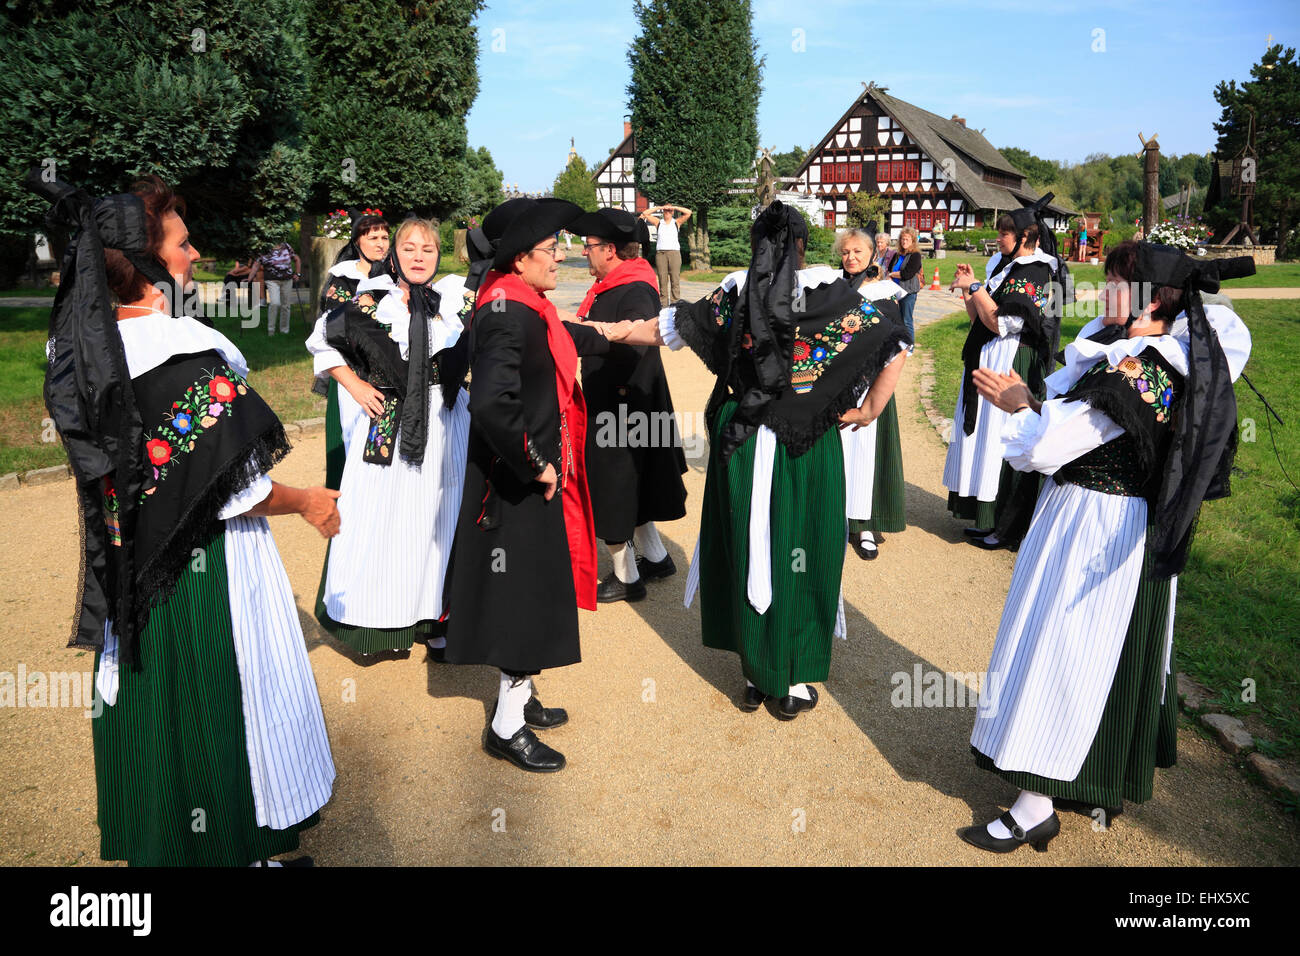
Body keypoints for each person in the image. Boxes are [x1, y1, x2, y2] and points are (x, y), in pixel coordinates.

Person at [28, 172, 337, 866]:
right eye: (183, 242)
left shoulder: (87, 354)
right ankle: (236, 850)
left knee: (160, 714)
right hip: (205, 573)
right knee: (223, 706)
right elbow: (241, 494)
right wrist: (311, 502)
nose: (196, 254)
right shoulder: (183, 357)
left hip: (131, 567)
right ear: (143, 262)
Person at [957, 241, 1253, 853]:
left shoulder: (1143, 370)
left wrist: (1019, 404)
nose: (1103, 289)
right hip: (1108, 521)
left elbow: (1045, 449)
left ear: (1153, 297)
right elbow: (1072, 427)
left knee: (1064, 649)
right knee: (1099, 654)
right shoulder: (1150, 353)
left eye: (1117, 280)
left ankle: (1034, 805)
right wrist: (1038, 406)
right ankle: (1092, 775)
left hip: (1100, 526)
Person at [620, 202, 910, 719]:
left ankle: (755, 672)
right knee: (802, 546)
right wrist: (869, 410)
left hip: (746, 438)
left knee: (747, 542)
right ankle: (790, 675)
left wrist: (596, 330)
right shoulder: (834, 294)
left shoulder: (735, 289)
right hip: (808, 445)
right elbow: (894, 344)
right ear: (803, 246)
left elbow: (664, 329)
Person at [445, 198, 630, 773]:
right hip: (517, 482)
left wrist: (618, 333)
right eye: (552, 250)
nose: (562, 258)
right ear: (521, 258)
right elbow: (495, 403)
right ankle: (506, 726)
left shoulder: (520, 301)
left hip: (529, 476)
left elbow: (561, 339)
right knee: (523, 595)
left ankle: (520, 698)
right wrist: (538, 464)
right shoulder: (507, 312)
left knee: (535, 587)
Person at [311, 218, 472, 657]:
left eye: (428, 250)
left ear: (439, 256)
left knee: (439, 523)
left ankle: (437, 622)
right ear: (394, 254)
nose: (419, 256)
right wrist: (356, 385)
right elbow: (323, 342)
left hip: (447, 424)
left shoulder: (454, 301)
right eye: (410, 248)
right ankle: (377, 621)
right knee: (385, 520)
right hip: (389, 426)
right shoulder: (372, 299)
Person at [570, 207, 688, 602]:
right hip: (623, 401)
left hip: (623, 406)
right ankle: (656, 558)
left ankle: (627, 577)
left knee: (610, 488)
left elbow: (642, 330)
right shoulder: (611, 283)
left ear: (610, 250)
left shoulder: (634, 286)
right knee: (631, 484)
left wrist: (587, 329)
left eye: (589, 247)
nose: (584, 253)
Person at [944, 196, 1064, 549]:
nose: (1000, 239)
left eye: (1005, 234)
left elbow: (1003, 323)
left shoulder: (1039, 272)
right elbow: (978, 318)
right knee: (985, 438)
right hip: (991, 357)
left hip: (1013, 361)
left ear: (1026, 237)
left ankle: (1007, 526)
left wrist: (978, 289)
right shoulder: (1006, 267)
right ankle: (987, 517)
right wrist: (970, 289)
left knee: (1005, 438)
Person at [835, 226, 910, 560]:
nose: (851, 258)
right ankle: (835, 519)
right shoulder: (831, 288)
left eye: (858, 252)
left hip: (869, 386)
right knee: (837, 454)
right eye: (845, 252)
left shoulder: (884, 292)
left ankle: (864, 523)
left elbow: (897, 344)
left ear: (872, 255)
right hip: (835, 387)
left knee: (866, 454)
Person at [308, 211, 390, 490]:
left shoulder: (396, 274)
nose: (380, 243)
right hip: (351, 380)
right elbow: (331, 336)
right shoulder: (342, 280)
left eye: (385, 237)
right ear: (357, 242)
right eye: (373, 237)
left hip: (389, 379)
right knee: (350, 454)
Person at [642, 203, 692, 306]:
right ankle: (663, 305)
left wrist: (674, 207)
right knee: (662, 280)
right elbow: (645, 213)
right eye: (666, 211)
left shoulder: (676, 222)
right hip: (661, 254)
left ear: (672, 212)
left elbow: (688, 212)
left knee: (675, 279)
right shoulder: (658, 223)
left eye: (669, 211)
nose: (667, 212)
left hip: (674, 253)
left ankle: (675, 304)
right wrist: (660, 207)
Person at [249, 239, 301, 336]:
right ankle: (271, 331)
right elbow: (256, 265)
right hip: (272, 280)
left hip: (287, 279)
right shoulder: (264, 248)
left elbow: (297, 259)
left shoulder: (286, 246)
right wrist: (249, 279)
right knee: (275, 303)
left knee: (286, 305)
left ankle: (284, 331)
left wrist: (298, 273)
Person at [887, 226, 923, 341]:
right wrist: (890, 274)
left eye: (907, 239)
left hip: (908, 292)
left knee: (907, 320)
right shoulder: (897, 255)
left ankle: (909, 346)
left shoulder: (915, 255)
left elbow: (907, 274)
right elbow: (889, 268)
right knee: (897, 320)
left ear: (913, 241)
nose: (904, 241)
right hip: (895, 291)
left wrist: (892, 275)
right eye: (902, 239)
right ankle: (900, 344)